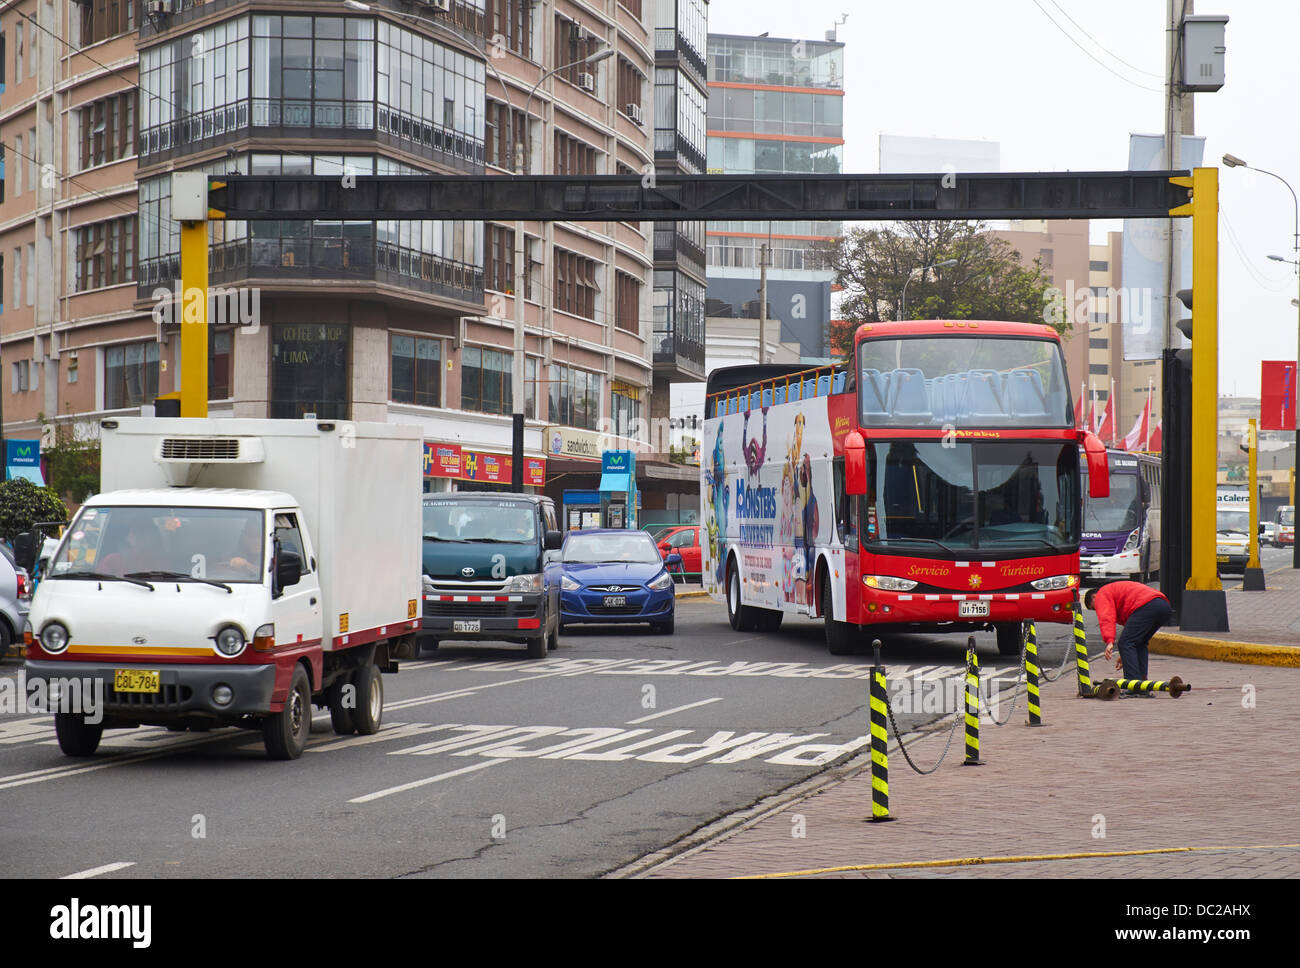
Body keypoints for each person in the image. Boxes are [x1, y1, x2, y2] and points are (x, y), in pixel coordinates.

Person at [1084, 581, 1172, 691]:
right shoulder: (1114, 592)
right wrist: (1126, 655)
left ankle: (1134, 685)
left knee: (1125, 643)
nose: (1097, 610)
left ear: (1094, 596)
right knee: (1139, 643)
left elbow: (1106, 617)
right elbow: (1132, 633)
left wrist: (1109, 641)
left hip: (1147, 605)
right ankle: (1142, 683)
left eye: (1094, 607)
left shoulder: (1102, 593)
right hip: (1163, 606)